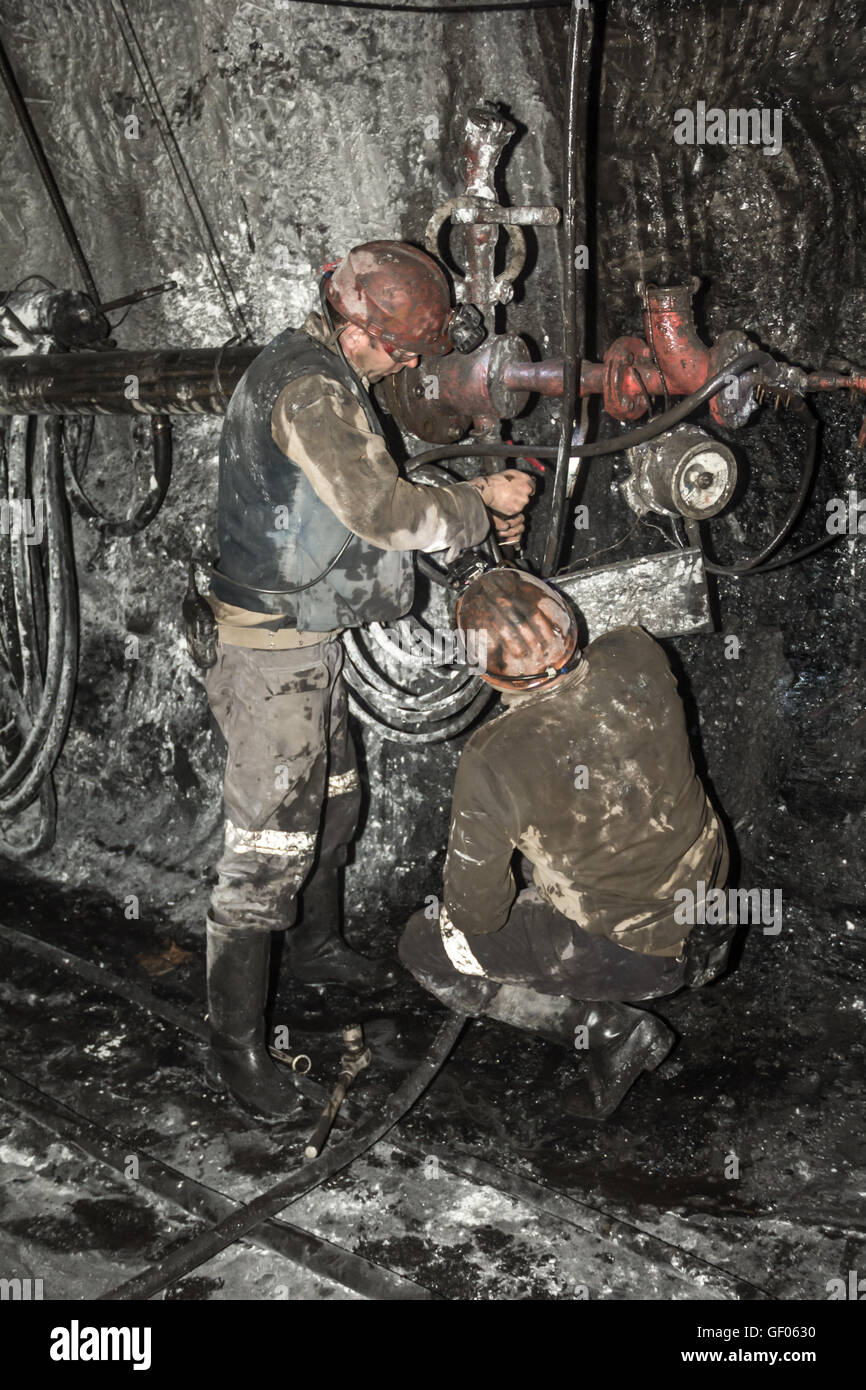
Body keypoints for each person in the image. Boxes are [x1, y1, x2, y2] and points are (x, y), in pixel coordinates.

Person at [204, 241, 535, 1118]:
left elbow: (353, 489)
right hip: (273, 656)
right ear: (359, 329)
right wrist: (480, 505)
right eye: (403, 349)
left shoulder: (317, 365)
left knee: (336, 801)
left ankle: (315, 951)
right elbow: (383, 511)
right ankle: (233, 1048)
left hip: (308, 637)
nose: (408, 365)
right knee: (266, 849)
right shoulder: (312, 389)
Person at [399, 566, 733, 1118]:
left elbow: (478, 914)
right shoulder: (635, 651)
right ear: (566, 617)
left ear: (486, 672)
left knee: (422, 943)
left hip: (639, 956)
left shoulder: (493, 756)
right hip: (713, 905)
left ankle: (604, 1028)